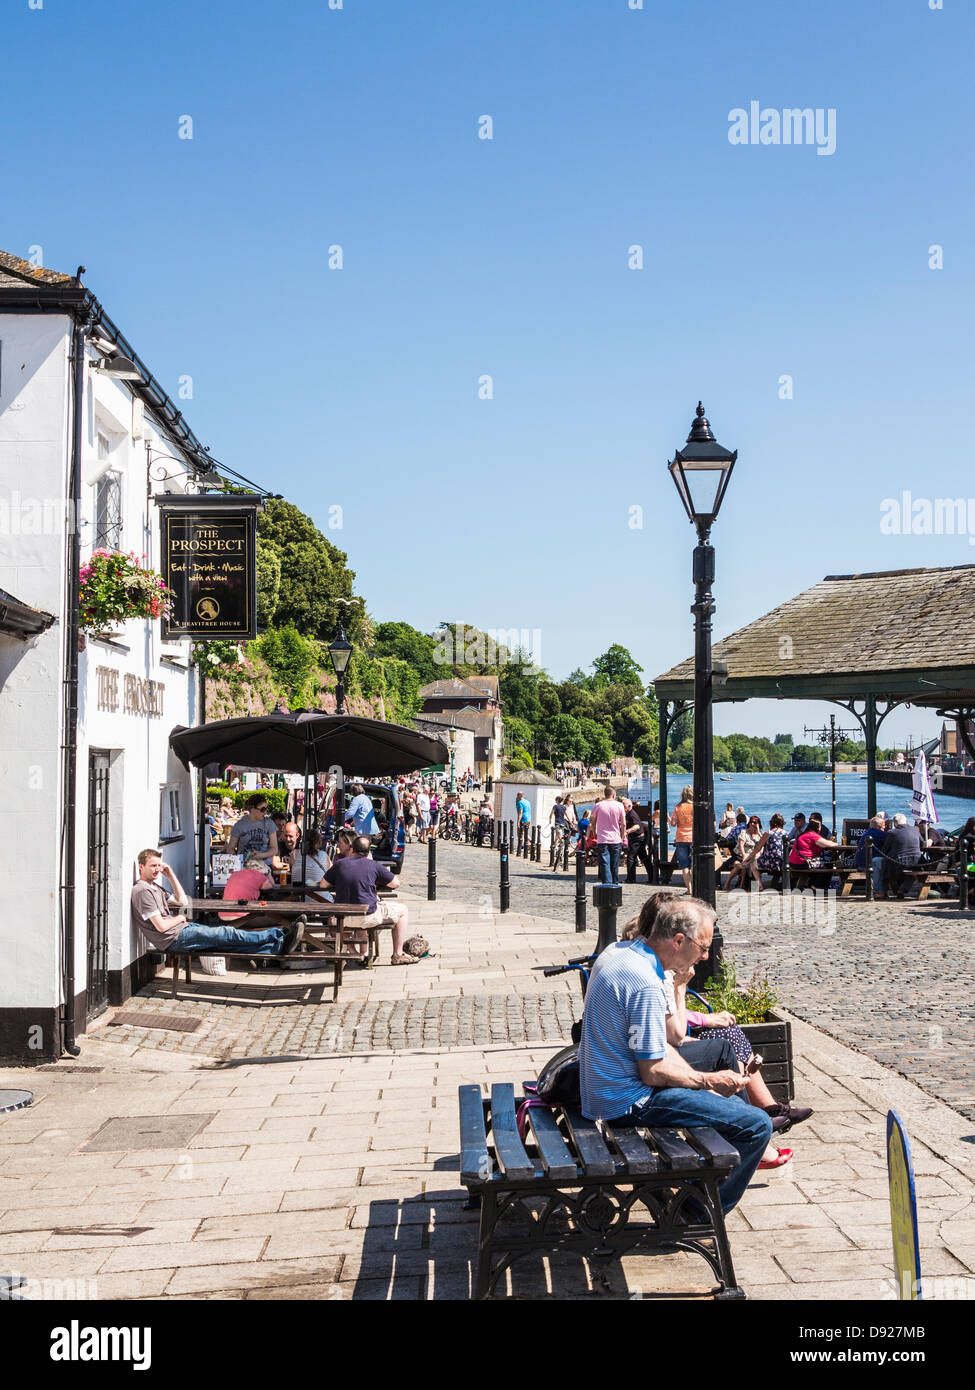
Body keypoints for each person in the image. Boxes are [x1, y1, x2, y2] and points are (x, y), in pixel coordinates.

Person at [578, 895, 772, 1214]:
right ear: (679, 940)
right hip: (627, 1102)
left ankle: (700, 1180)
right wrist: (706, 1081)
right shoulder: (645, 982)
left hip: (607, 1088)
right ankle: (695, 1212)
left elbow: (660, 1047)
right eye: (703, 947)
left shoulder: (620, 952)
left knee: (731, 1098)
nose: (707, 955)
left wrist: (709, 1084)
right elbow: (652, 1071)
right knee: (756, 1126)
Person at [132, 849, 304, 956]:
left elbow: (182, 901)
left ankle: (277, 947)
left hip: (182, 932)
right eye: (152, 866)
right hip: (173, 939)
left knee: (228, 945)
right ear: (141, 867)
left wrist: (170, 875)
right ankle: (280, 933)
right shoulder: (142, 891)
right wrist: (181, 919)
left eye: (158, 866)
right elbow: (161, 926)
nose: (156, 870)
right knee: (228, 934)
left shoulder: (155, 887)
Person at [321, 834, 418, 964]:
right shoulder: (373, 865)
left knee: (332, 919)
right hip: (369, 917)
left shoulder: (339, 865)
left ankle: (353, 951)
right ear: (368, 852)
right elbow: (395, 883)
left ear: (352, 850)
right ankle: (397, 954)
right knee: (403, 910)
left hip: (343, 918)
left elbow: (323, 884)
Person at [589, 784, 627, 885]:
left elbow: (592, 821)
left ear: (605, 794)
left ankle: (607, 885)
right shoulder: (619, 806)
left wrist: (595, 832)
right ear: (614, 795)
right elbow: (623, 823)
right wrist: (623, 836)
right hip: (616, 839)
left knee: (605, 864)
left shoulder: (598, 805)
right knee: (614, 865)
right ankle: (615, 885)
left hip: (602, 839)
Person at [227, 794, 280, 866]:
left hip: (265, 866)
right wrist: (237, 861)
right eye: (262, 809)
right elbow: (230, 848)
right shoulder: (240, 825)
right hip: (245, 867)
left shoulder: (269, 823)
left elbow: (274, 849)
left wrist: (261, 855)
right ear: (252, 809)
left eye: (267, 809)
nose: (265, 812)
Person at [879, 813, 922, 900]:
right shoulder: (915, 830)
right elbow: (923, 844)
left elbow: (885, 850)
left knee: (887, 866)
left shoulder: (892, 832)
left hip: (898, 863)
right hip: (916, 861)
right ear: (906, 821)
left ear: (895, 824)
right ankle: (902, 889)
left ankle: (891, 890)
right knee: (913, 872)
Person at [745, 812, 786, 889]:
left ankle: (760, 885)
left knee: (753, 864)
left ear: (771, 823)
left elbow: (757, 849)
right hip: (782, 860)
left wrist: (747, 859)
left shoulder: (768, 833)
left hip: (771, 861)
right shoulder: (784, 833)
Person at [724, 815, 762, 892]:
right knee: (739, 865)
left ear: (758, 824)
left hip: (751, 855)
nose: (752, 824)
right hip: (740, 854)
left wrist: (758, 832)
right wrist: (744, 856)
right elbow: (741, 845)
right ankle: (727, 884)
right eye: (751, 822)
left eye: (755, 822)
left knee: (748, 864)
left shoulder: (759, 834)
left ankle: (742, 885)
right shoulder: (744, 832)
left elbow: (763, 843)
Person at [853, 813, 887, 896]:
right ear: (878, 827)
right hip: (867, 865)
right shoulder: (880, 834)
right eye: (883, 827)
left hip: (859, 864)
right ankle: (878, 891)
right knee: (882, 864)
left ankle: (880, 891)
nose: (885, 828)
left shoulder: (866, 833)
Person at [669, 785, 695, 892]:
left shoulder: (677, 807)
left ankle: (689, 889)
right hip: (693, 837)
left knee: (684, 865)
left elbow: (673, 823)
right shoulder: (695, 807)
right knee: (694, 864)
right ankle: (695, 886)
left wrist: (670, 819)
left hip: (681, 838)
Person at [621, 797, 653, 884]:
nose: (622, 808)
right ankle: (652, 876)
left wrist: (627, 832)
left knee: (630, 858)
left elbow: (637, 826)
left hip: (637, 838)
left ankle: (631, 879)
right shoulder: (628, 813)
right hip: (638, 838)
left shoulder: (632, 814)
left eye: (624, 806)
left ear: (629, 806)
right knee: (644, 857)